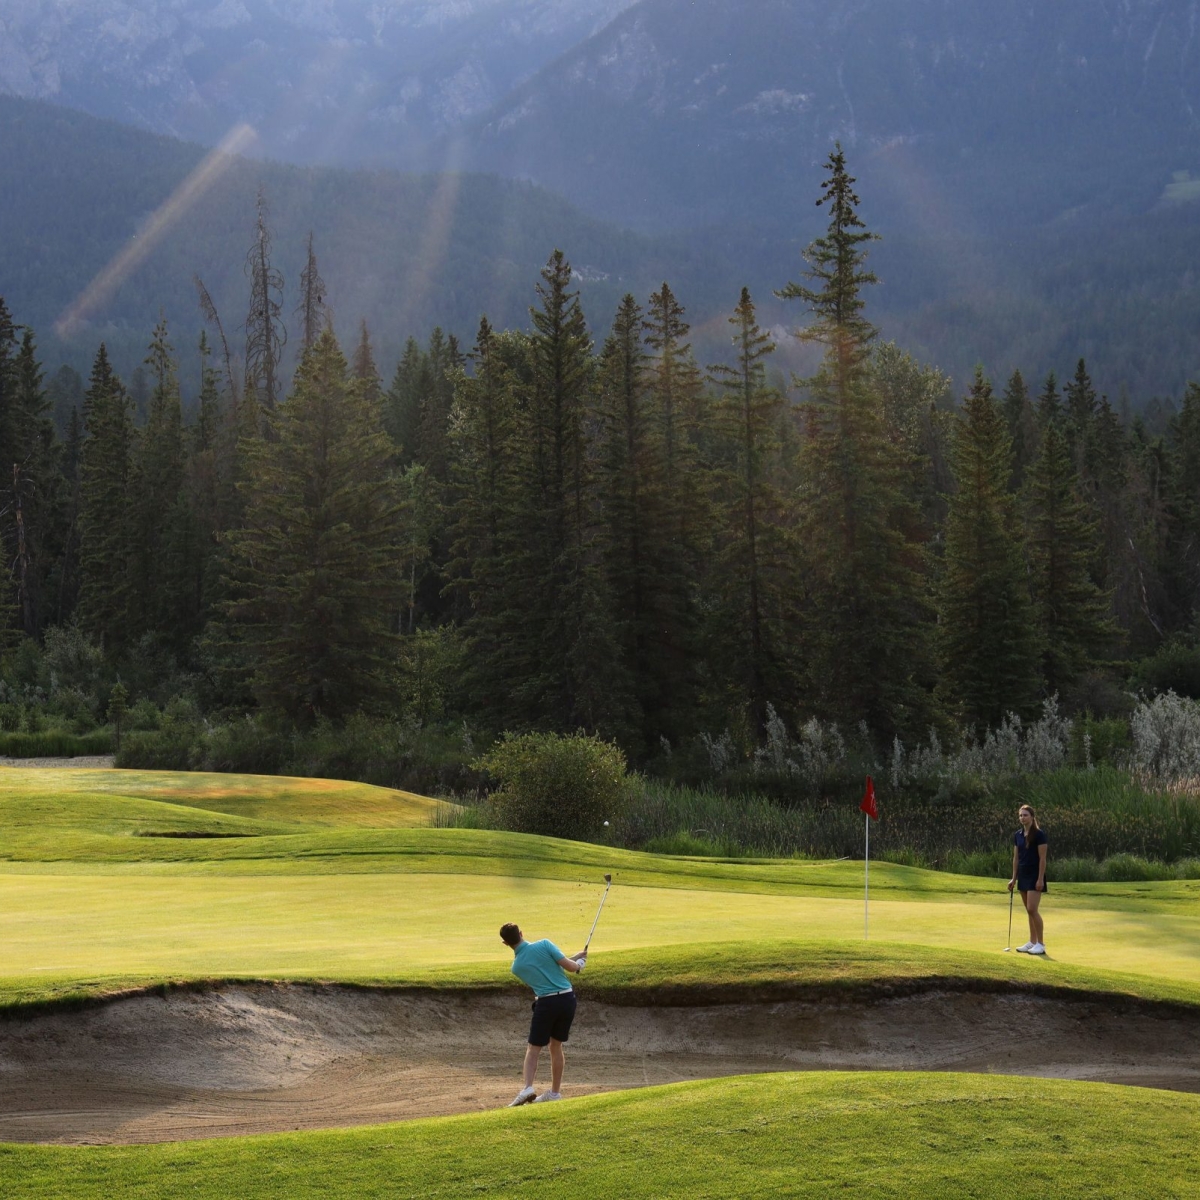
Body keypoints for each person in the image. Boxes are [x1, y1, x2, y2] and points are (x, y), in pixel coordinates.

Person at [500, 922, 588, 1106]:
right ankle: (555, 1093)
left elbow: (545, 969)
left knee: (533, 1049)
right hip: (567, 999)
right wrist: (578, 962)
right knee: (556, 1047)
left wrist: (574, 961)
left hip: (547, 1003)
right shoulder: (544, 944)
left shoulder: (516, 967)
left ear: (505, 943)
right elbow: (566, 967)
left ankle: (528, 1088)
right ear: (521, 933)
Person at [1008, 803, 1048, 955]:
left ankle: (1041, 944)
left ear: (1032, 817)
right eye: (1020, 815)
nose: (1022, 817)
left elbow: (1043, 859)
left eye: (1025, 815)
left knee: (1032, 909)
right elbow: (1016, 858)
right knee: (1029, 911)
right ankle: (1032, 942)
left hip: (1035, 874)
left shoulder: (1039, 834)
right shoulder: (1017, 835)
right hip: (1023, 874)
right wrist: (1013, 879)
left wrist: (1040, 879)